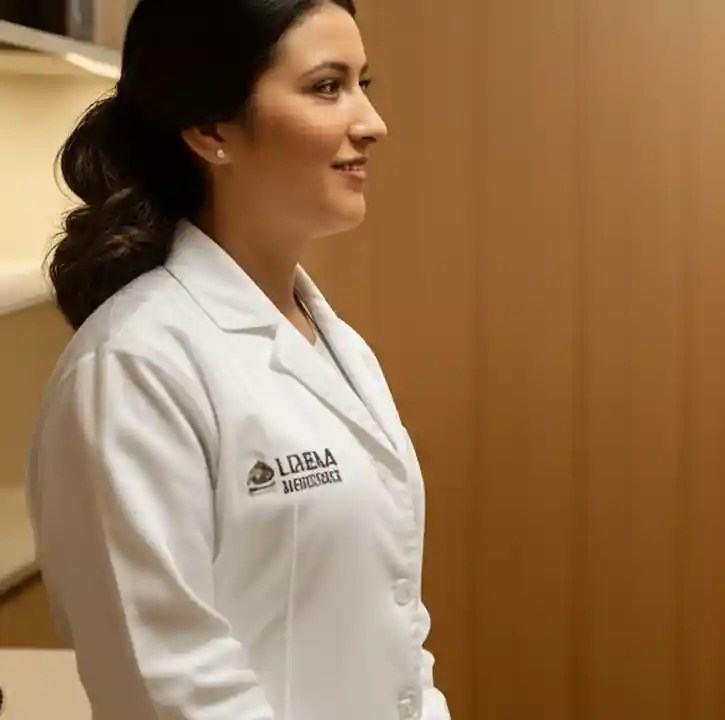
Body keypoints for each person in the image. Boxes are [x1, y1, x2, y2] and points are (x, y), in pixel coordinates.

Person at [26, 2, 450, 718]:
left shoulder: (337, 346)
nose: (372, 122)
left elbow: (397, 632)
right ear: (212, 128)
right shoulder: (132, 367)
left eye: (363, 83)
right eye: (326, 86)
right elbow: (173, 687)